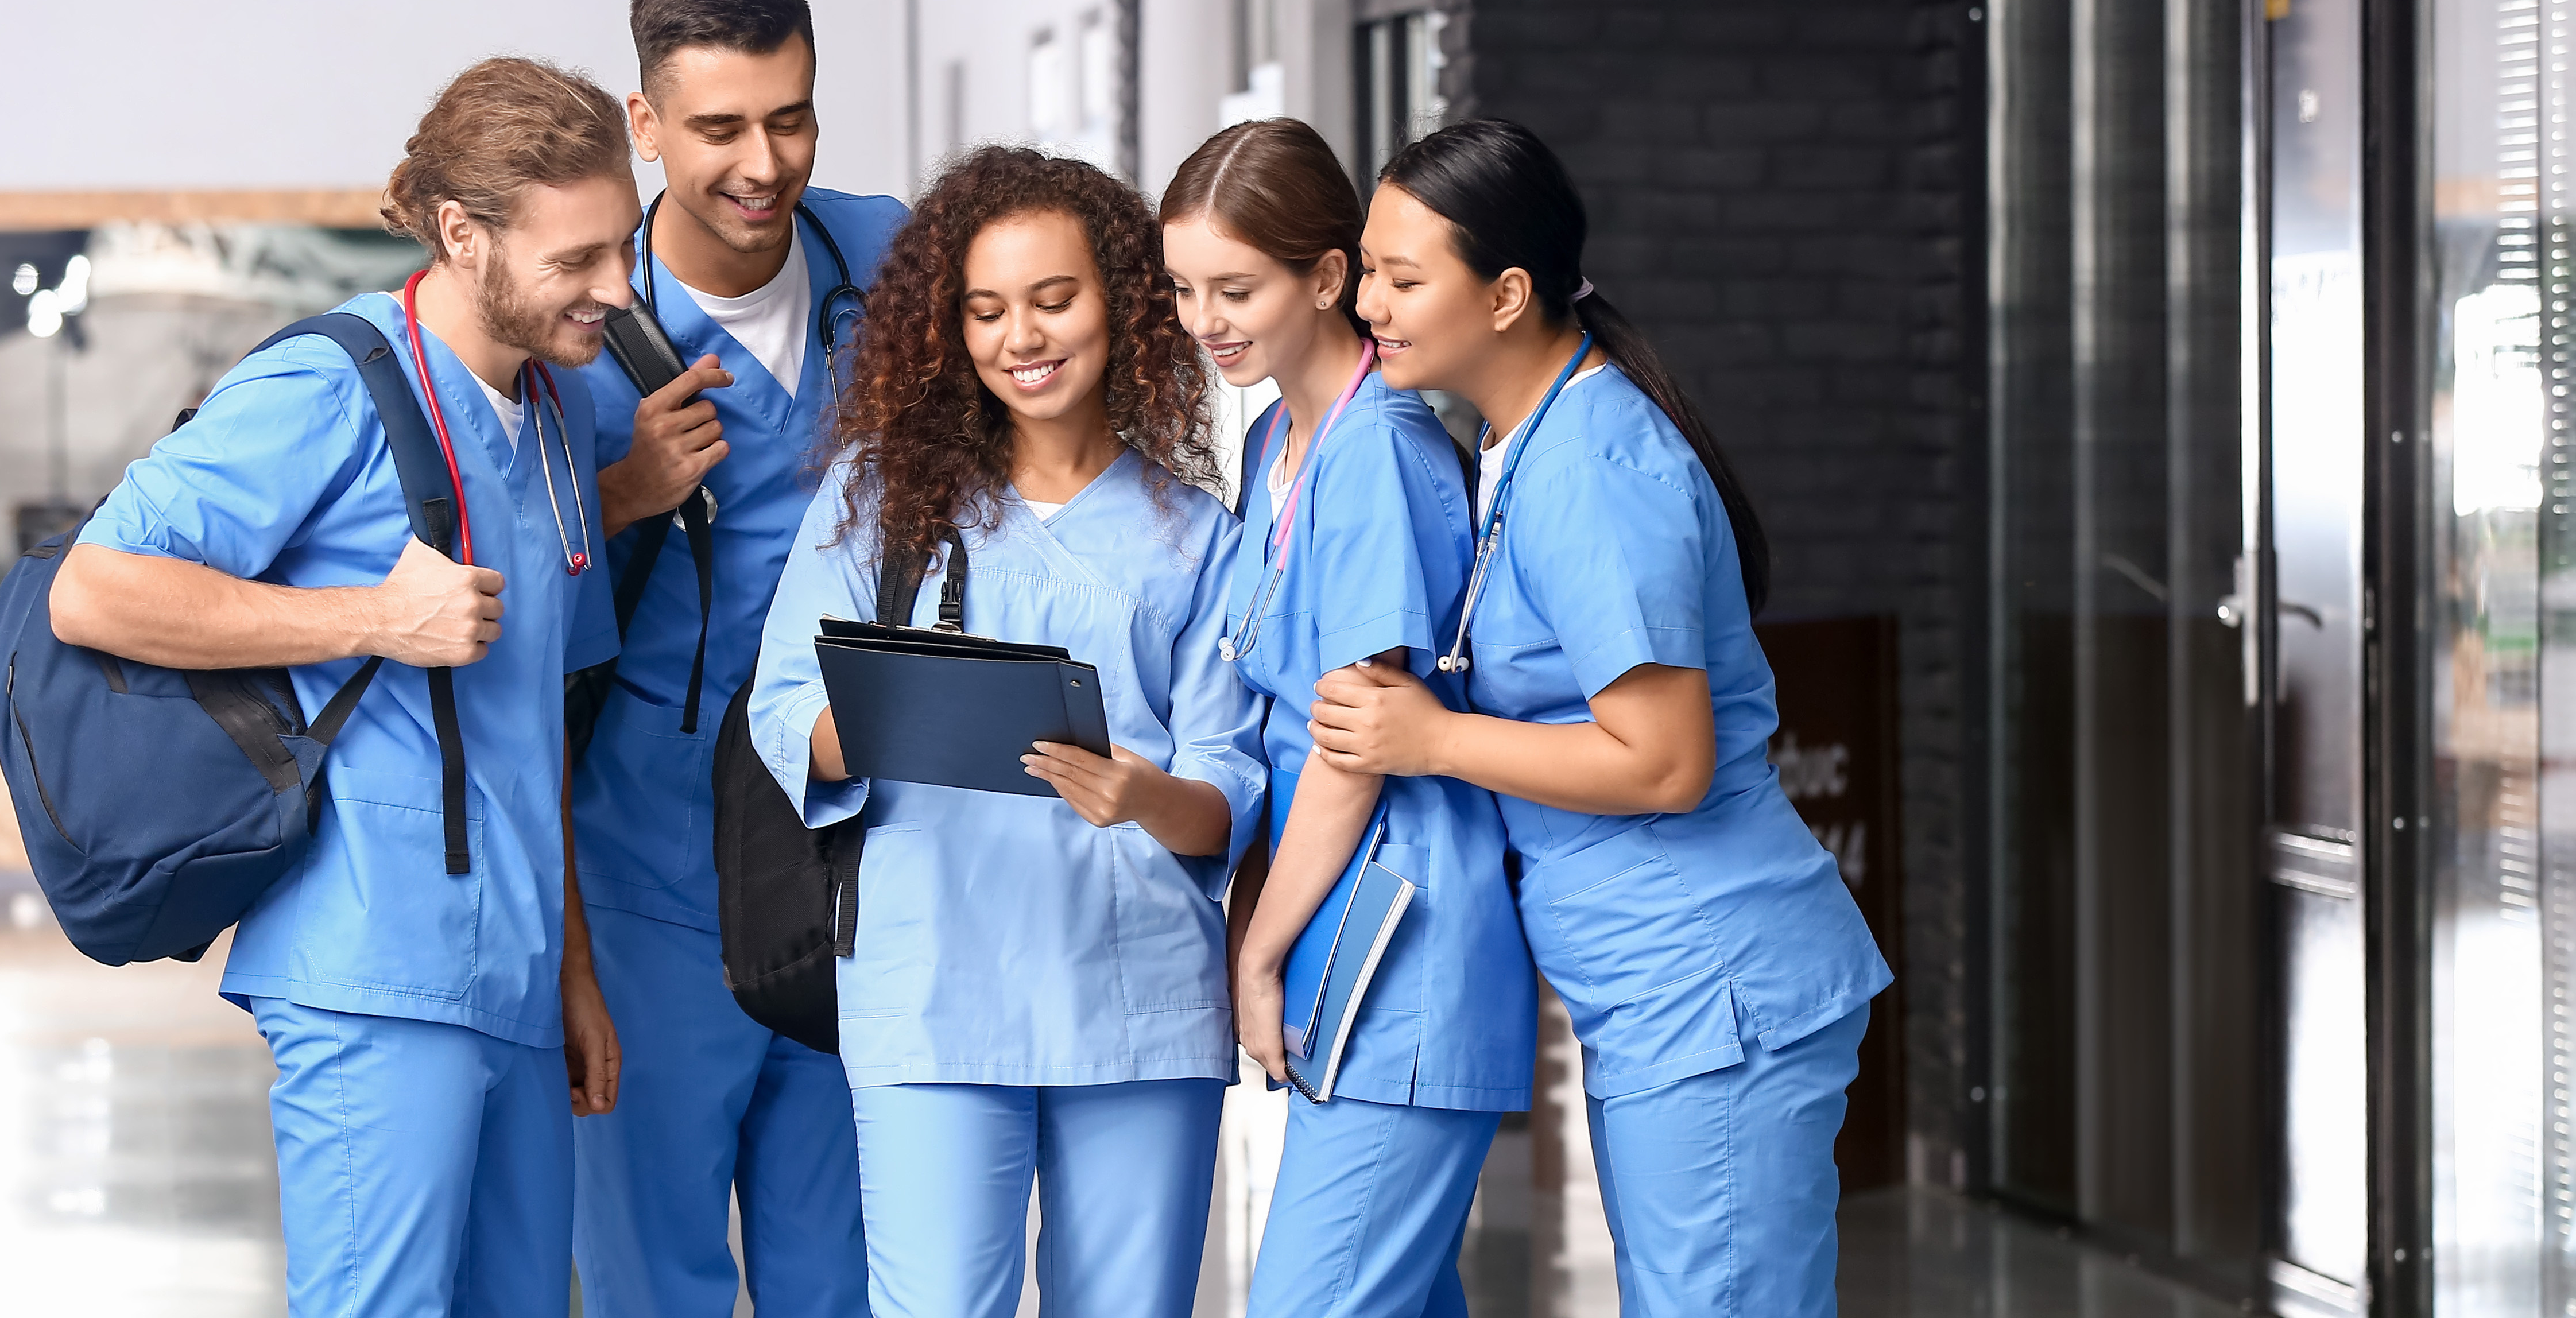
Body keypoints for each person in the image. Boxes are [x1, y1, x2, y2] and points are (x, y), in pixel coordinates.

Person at [47, 57, 634, 1317]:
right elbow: (92, 591)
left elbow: (539, 728)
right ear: (463, 235)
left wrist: (573, 972)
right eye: (578, 258)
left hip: (520, 976)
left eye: (621, 245)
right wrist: (373, 614)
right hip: (372, 968)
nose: (617, 289)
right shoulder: (325, 385)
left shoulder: (559, 414)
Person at [1306, 118, 1893, 1318]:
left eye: (1402, 278)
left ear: (1507, 293)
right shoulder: (1523, 440)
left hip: (1713, 989)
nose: (1367, 301)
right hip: (1663, 998)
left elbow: (1664, 761)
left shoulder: (1590, 464)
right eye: (1367, 267)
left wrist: (1429, 738)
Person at [747, 145, 1263, 1318]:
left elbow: (1229, 780)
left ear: (1121, 307)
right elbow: (781, 711)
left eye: (1052, 300)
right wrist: (884, 710)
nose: (1020, 338)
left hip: (1133, 995)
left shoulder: (1198, 536)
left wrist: (1142, 796)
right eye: (985, 310)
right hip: (932, 985)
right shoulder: (876, 499)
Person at [566, 0, 908, 1318]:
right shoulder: (575, 334)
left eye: (791, 117)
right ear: (644, 127)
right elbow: (488, 585)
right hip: (653, 874)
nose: (762, 164)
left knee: (845, 1278)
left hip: (856, 864)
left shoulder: (888, 259)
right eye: (717, 129)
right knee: (656, 1278)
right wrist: (620, 495)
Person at [1158, 118, 1532, 1318]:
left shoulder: (1375, 449)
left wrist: (1256, 954)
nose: (1203, 319)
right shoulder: (1276, 434)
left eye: (1235, 288)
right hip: (1334, 925)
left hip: (1399, 946)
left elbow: (1352, 742)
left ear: (1327, 278)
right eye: (1180, 289)